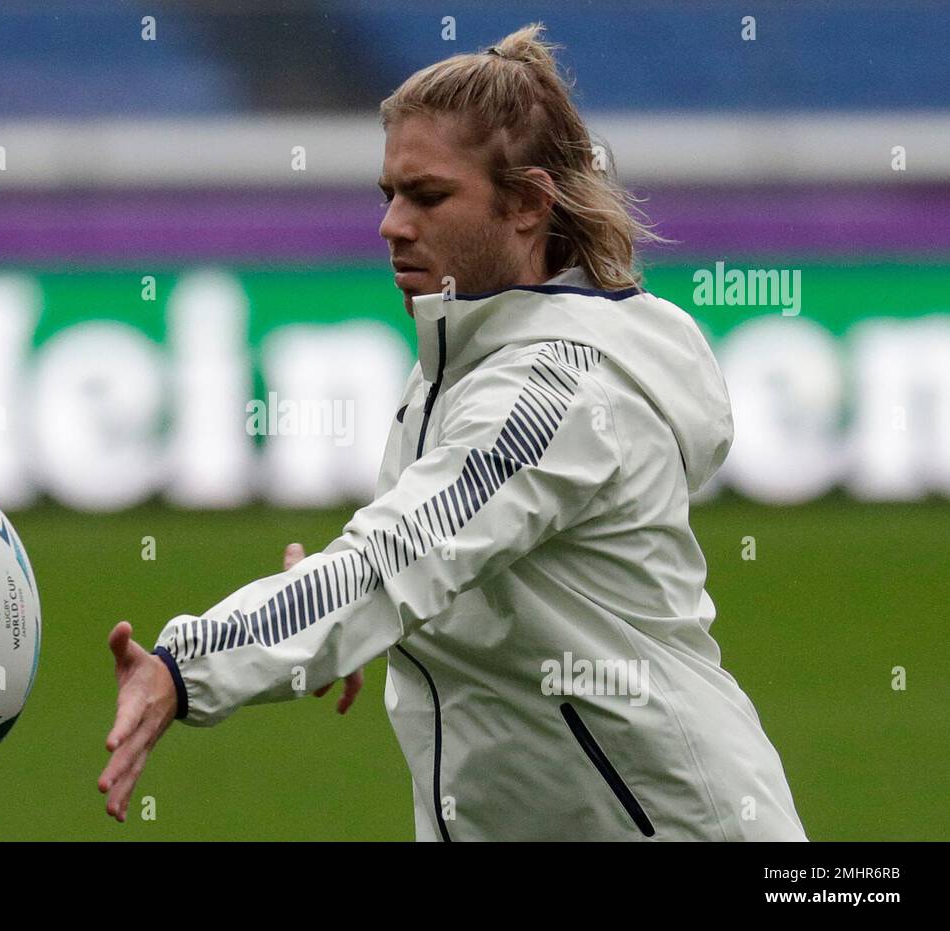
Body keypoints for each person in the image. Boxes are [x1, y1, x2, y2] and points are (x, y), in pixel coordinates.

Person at [99, 23, 806, 841]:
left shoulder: (554, 393)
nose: (392, 225)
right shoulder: (456, 362)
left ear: (529, 205)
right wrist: (335, 608)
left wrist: (187, 668)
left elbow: (398, 558)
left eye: (428, 197)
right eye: (387, 194)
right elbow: (419, 561)